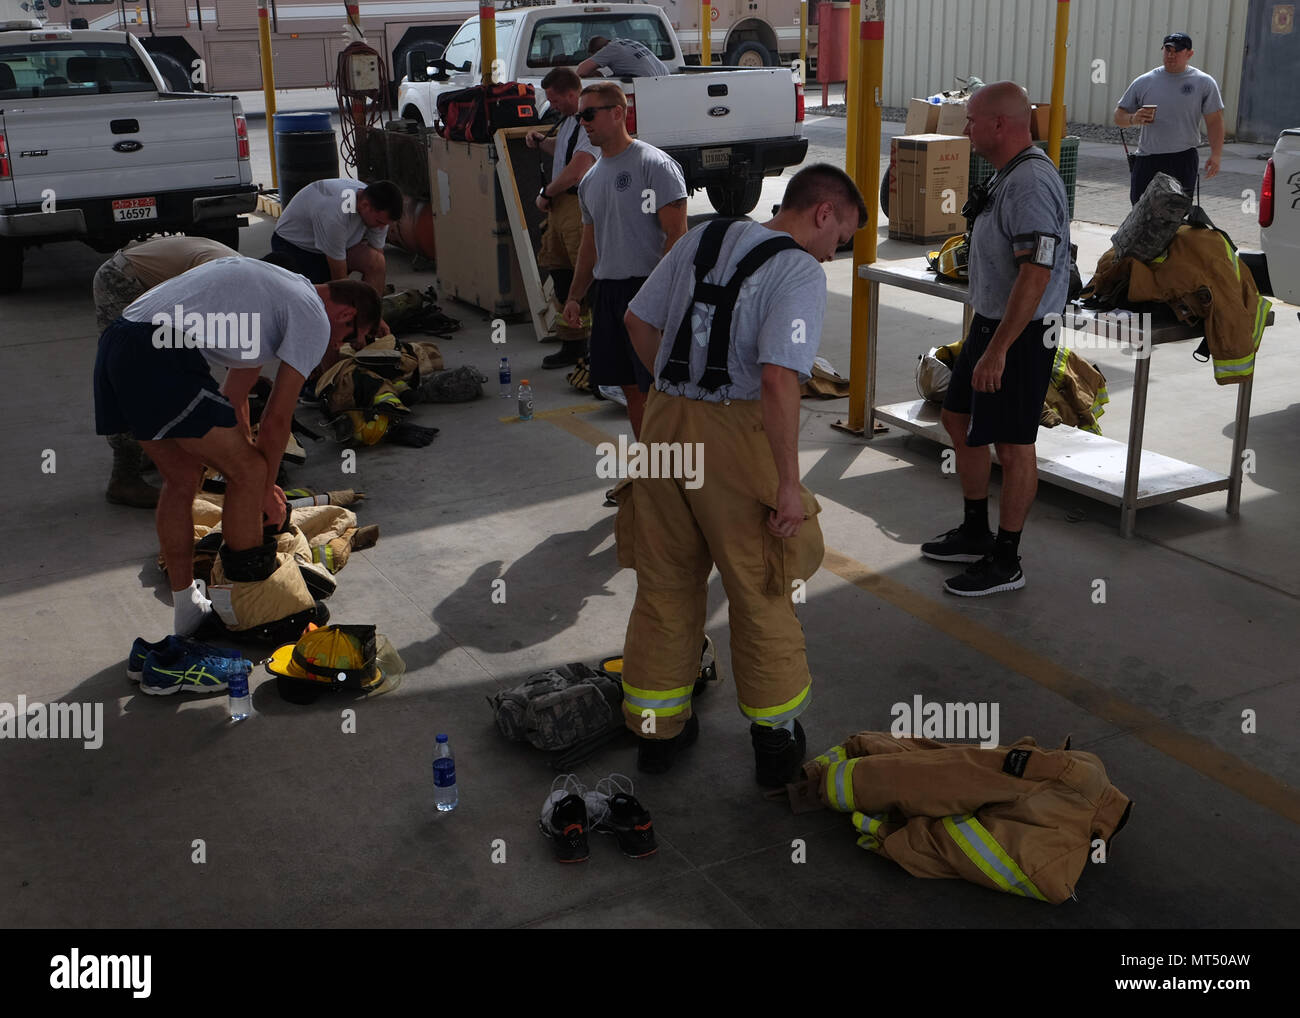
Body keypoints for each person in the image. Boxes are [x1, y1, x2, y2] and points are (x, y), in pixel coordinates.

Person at [619, 164, 866, 784]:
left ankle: (657, 734)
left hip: (664, 426)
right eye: (842, 237)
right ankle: (776, 743)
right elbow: (780, 376)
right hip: (735, 435)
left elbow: (636, 322)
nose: (835, 253)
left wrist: (678, 394)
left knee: (666, 580)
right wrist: (787, 482)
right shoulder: (798, 270)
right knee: (761, 582)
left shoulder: (703, 236)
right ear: (822, 213)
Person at [93, 258, 381, 644]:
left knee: (182, 479)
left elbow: (234, 398)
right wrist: (262, 488)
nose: (339, 346)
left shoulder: (279, 293)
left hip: (120, 343)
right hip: (156, 352)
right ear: (346, 313)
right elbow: (278, 419)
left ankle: (187, 610)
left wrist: (252, 472)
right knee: (250, 472)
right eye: (350, 337)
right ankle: (250, 602)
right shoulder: (312, 315)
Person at [921, 82, 1071, 597]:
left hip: (1022, 332)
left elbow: (1037, 273)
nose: (965, 129)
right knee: (957, 417)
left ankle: (1006, 560)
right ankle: (975, 531)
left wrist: (999, 349)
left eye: (971, 121)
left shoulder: (1030, 183)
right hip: (993, 322)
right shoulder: (1008, 175)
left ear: (1001, 125)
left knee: (1013, 443)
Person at [562, 82, 687, 439]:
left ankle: (672, 480)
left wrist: (657, 298)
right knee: (632, 390)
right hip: (609, 293)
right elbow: (591, 244)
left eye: (589, 114)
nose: (583, 122)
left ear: (618, 113)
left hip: (647, 290)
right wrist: (575, 296)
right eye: (579, 115)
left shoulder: (654, 165)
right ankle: (649, 476)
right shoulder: (590, 181)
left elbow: (676, 236)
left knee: (658, 391)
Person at [92, 235, 238, 508]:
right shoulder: (225, 274)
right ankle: (124, 478)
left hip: (151, 286)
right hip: (123, 281)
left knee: (167, 370)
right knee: (133, 378)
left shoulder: (241, 277)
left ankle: (151, 447)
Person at [526, 67, 600, 369]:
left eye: (555, 100)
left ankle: (597, 346)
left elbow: (579, 167)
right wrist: (543, 141)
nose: (551, 106)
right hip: (561, 208)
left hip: (576, 204)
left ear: (572, 94)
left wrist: (546, 192)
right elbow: (565, 151)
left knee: (587, 278)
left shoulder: (589, 123)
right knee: (561, 275)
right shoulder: (570, 121)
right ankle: (573, 344)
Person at [1114, 32, 1224, 204]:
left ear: (1189, 54)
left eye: (1177, 51)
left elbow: (1214, 121)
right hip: (1148, 158)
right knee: (1140, 208)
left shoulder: (1203, 82)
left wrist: (1216, 155)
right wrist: (1133, 118)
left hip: (1183, 158)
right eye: (1167, 50)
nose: (1171, 55)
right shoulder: (1144, 82)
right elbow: (1118, 116)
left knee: (1177, 212)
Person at [271, 178, 402, 298]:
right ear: (365, 206)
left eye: (385, 224)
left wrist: (375, 287)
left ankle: (372, 313)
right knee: (312, 298)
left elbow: (377, 252)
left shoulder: (375, 206)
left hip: (332, 245)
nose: (381, 228)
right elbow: (339, 277)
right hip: (293, 246)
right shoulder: (335, 213)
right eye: (379, 222)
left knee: (377, 262)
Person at [576, 36, 670, 78]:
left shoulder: (610, 48)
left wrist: (593, 74)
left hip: (646, 86)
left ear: (599, 51)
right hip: (665, 80)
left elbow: (580, 71)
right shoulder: (628, 42)